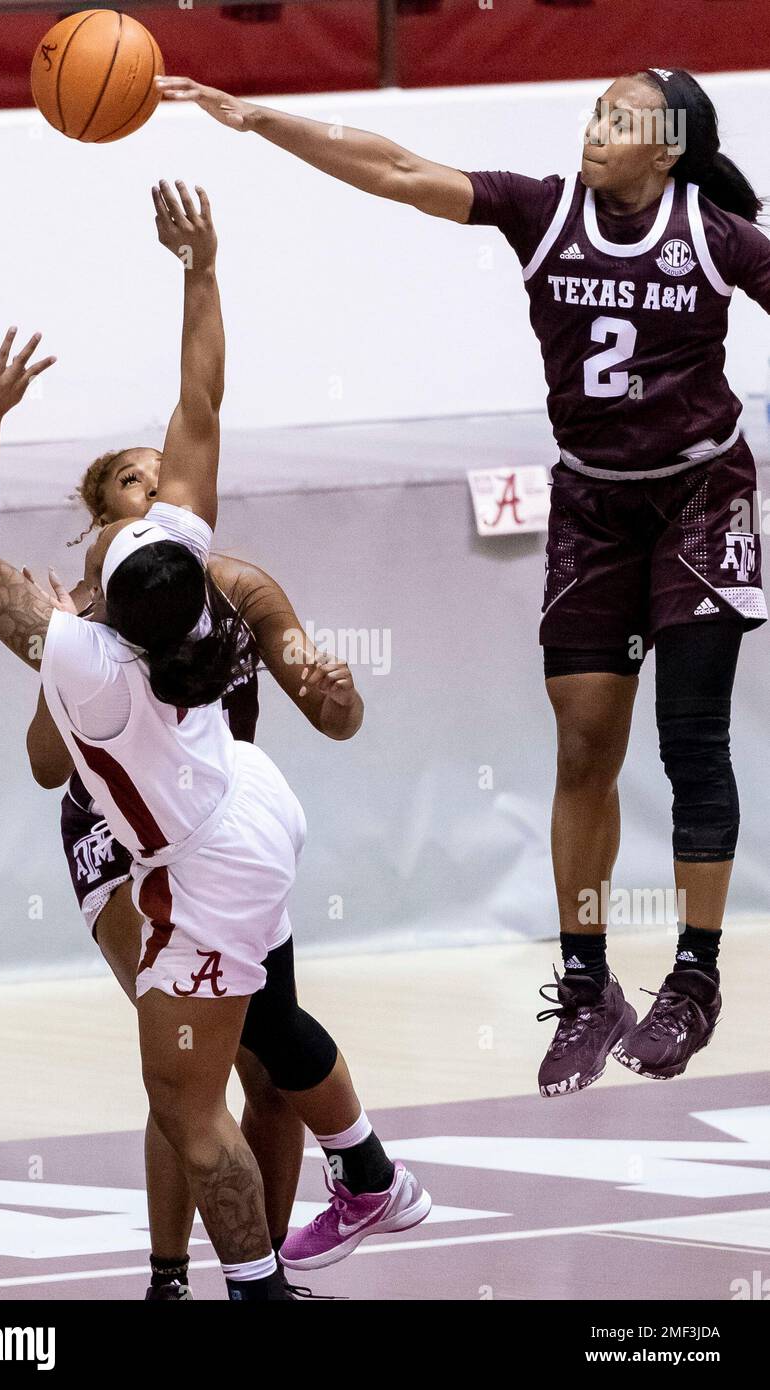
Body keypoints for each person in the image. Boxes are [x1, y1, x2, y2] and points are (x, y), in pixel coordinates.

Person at [157, 69, 770, 1092]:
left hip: (702, 500)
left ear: (664, 150)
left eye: (620, 119)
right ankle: (585, 984)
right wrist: (262, 116)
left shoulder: (712, 236)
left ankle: (694, 977)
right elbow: (396, 169)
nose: (596, 127)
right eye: (593, 110)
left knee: (688, 736)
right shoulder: (541, 210)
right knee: (582, 739)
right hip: (592, 503)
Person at [0, 180, 430, 1298]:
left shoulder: (93, 637)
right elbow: (201, 407)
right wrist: (202, 268)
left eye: (155, 482)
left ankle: (282, 1250)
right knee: (229, 1049)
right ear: (112, 517)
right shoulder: (189, 572)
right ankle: (263, 1231)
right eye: (132, 482)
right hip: (210, 810)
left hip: (199, 847)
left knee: (200, 1077)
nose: (153, 483)